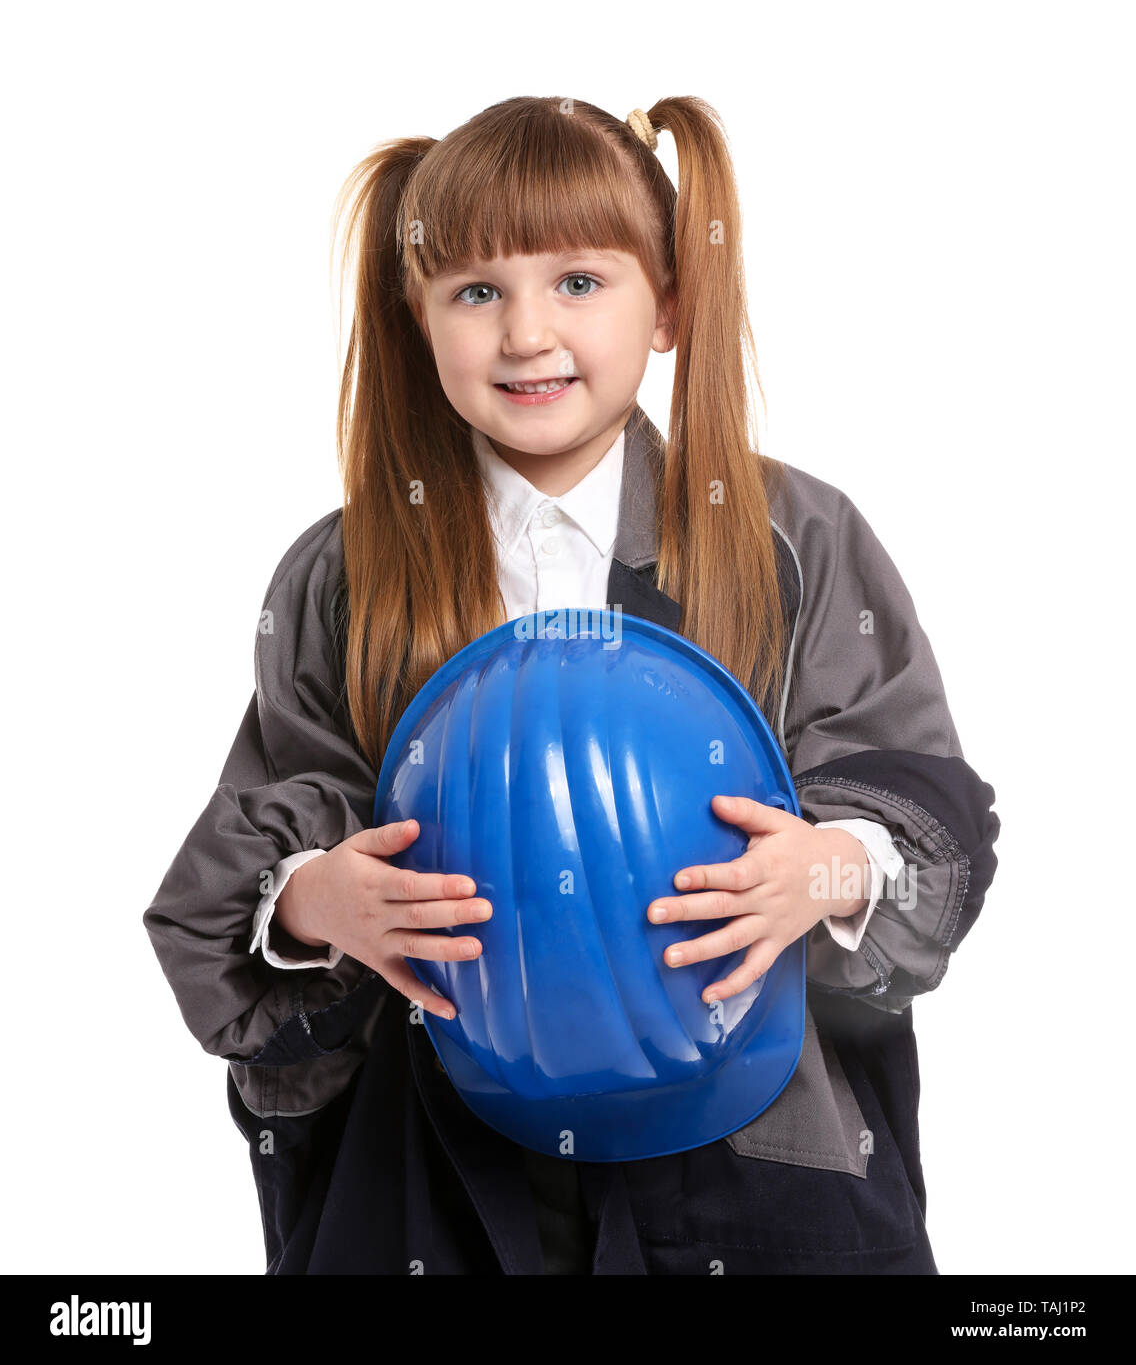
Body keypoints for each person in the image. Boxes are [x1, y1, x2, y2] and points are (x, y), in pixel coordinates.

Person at [143, 95, 1000, 1275]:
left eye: (579, 282)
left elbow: (919, 804)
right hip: (435, 1162)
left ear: (667, 302)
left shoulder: (788, 537)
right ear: (418, 320)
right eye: (476, 291)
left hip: (746, 1149)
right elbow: (256, 843)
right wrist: (313, 901)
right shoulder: (349, 573)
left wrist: (825, 865)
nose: (527, 334)